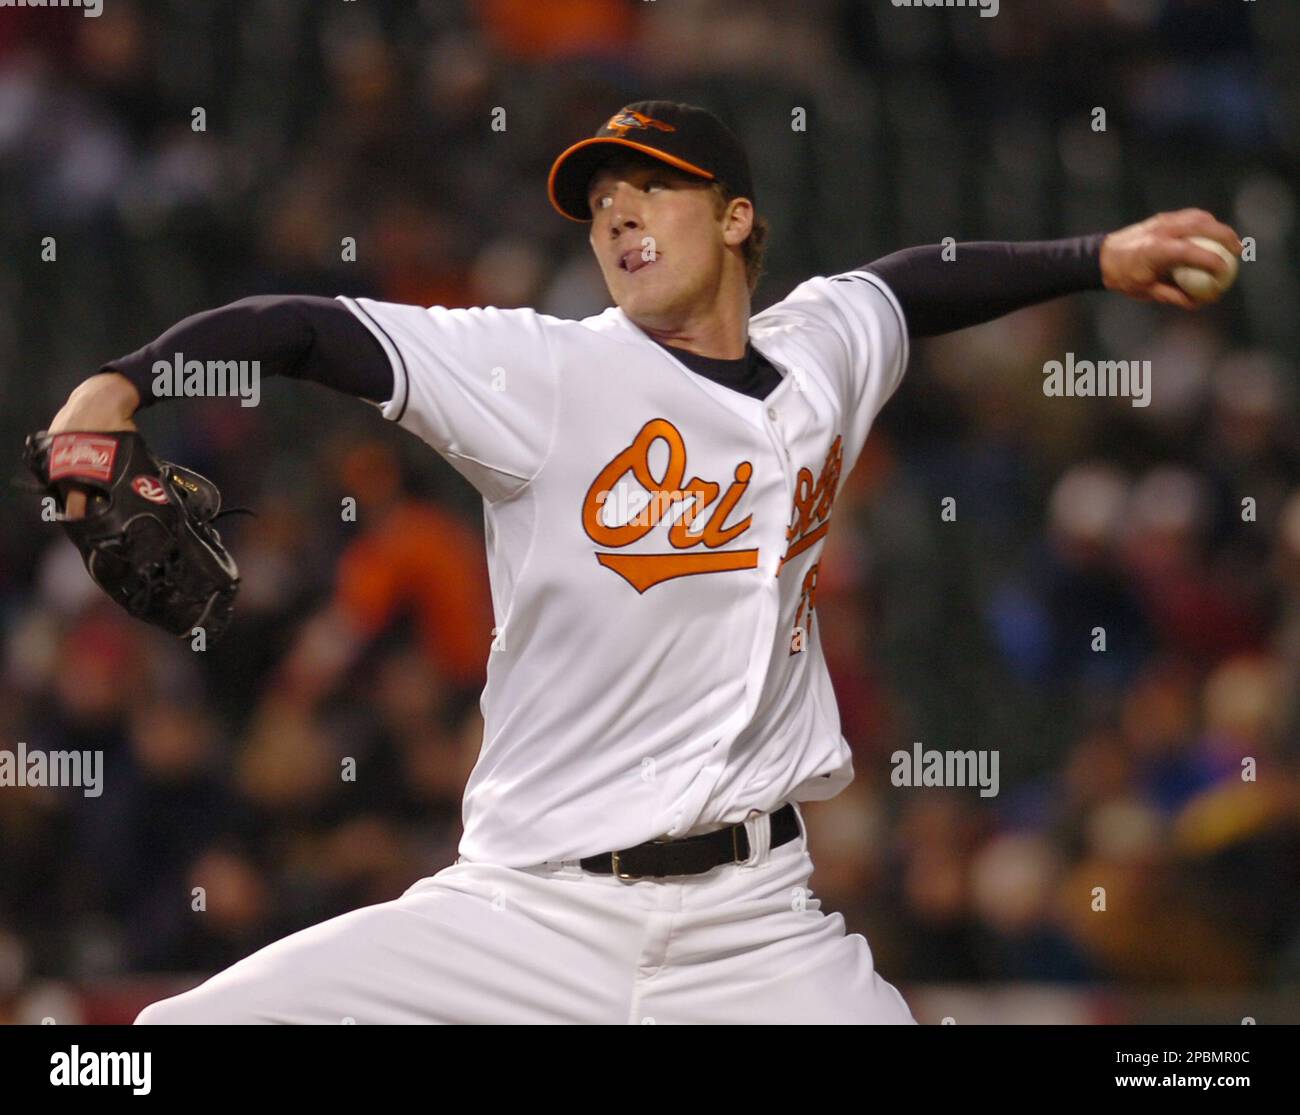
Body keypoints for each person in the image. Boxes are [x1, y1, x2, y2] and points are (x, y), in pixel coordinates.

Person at [47, 100, 1241, 1024]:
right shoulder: (543, 371)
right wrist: (121, 379)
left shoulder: (820, 351)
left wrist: (1100, 252)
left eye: (651, 188)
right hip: (527, 910)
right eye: (601, 199)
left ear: (734, 219)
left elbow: (913, 283)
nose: (616, 212)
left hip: (756, 927)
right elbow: (313, 326)